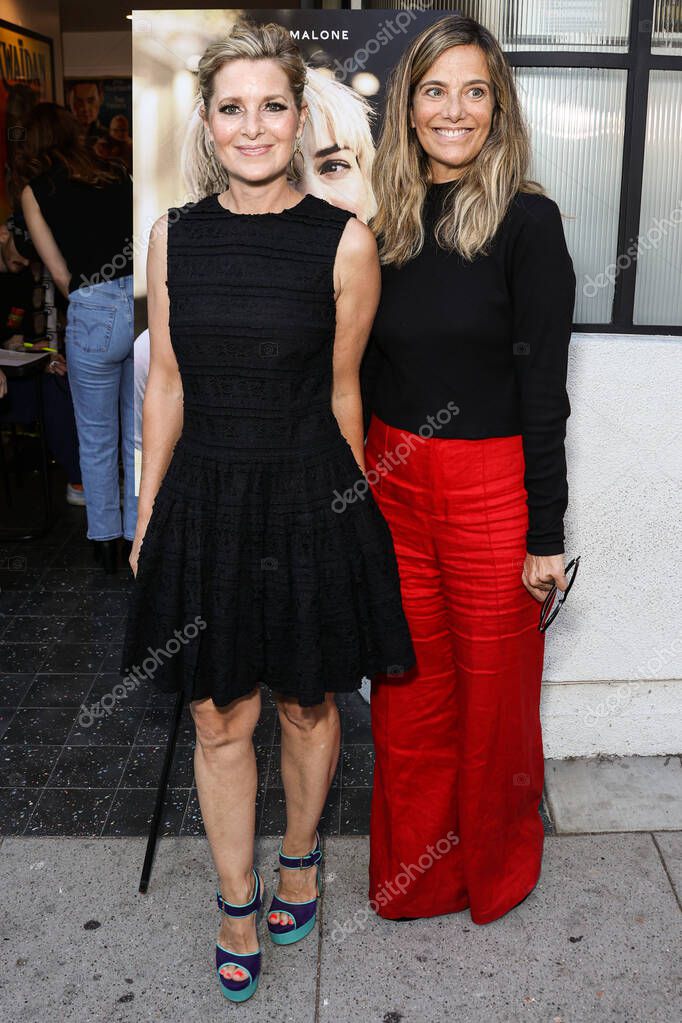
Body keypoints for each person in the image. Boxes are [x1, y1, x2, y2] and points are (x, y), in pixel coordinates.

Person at [121, 21, 415, 1004]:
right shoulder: (173, 237)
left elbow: (343, 395)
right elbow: (164, 383)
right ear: (207, 121)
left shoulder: (343, 241)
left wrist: (351, 513)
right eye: (232, 107)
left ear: (298, 119)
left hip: (302, 496)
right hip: (203, 497)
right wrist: (147, 509)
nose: (253, 126)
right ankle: (237, 901)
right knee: (218, 717)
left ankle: (298, 860)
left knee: (305, 697)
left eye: (272, 106)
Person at [361, 14, 576, 926]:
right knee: (407, 695)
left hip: (492, 489)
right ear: (408, 107)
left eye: (475, 90)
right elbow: (361, 371)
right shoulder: (385, 224)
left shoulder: (529, 221)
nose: (455, 110)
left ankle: (491, 869)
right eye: (436, 90)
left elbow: (544, 389)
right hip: (390, 482)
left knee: (494, 702)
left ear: (500, 106)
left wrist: (547, 535)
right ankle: (420, 874)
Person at [15, 102, 135, 572]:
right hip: (143, 303)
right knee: (140, 434)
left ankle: (106, 543)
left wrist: (89, 300)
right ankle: (138, 538)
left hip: (94, 308)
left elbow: (59, 273)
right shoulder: (115, 172)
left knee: (97, 436)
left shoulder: (35, 190)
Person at [0, 219, 82, 505]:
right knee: (50, 388)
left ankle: (87, 479)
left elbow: (14, 340)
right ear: (2, 235)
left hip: (12, 378)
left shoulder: (20, 279)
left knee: (60, 377)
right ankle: (81, 480)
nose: (25, 259)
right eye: (21, 249)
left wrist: (41, 354)